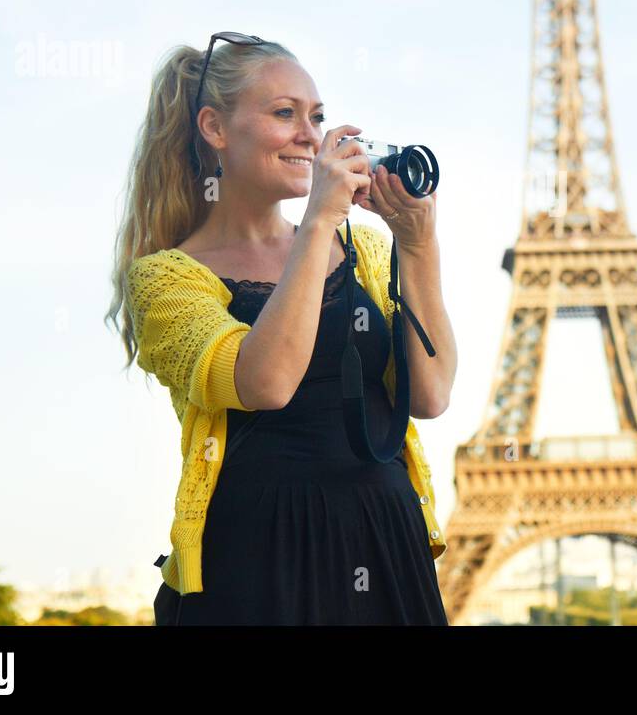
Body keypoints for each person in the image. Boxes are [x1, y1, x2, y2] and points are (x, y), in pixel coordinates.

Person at [106, 33, 456, 624]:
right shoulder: (165, 280)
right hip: (263, 557)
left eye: (316, 117)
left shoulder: (366, 251)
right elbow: (265, 383)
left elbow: (431, 394)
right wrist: (320, 221)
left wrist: (417, 245)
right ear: (215, 127)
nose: (309, 136)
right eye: (283, 114)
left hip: (386, 542)